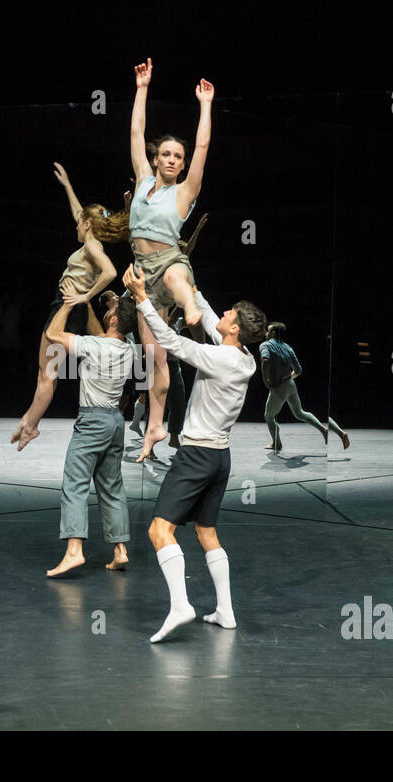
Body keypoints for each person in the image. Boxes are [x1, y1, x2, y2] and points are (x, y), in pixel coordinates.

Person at [123, 265, 266, 643]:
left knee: (159, 530)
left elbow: (171, 341)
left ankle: (180, 605)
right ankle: (226, 612)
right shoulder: (243, 358)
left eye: (229, 315)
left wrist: (142, 300)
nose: (224, 316)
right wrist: (189, 287)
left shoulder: (218, 359)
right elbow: (208, 313)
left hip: (197, 457)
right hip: (220, 459)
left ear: (235, 329)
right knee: (206, 532)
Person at [128, 57, 215, 463]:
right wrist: (142, 88)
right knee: (155, 362)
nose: (172, 160)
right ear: (157, 158)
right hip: (142, 276)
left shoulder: (185, 193)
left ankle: (191, 306)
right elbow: (135, 130)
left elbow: (202, 146)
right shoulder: (144, 180)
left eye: (177, 157)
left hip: (169, 262)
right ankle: (156, 427)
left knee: (180, 276)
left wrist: (205, 104)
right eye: (166, 154)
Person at [11, 163, 126, 450]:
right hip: (68, 306)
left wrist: (86, 296)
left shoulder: (91, 247)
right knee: (47, 374)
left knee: (47, 374)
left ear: (87, 226)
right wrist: (67, 185)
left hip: (67, 307)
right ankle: (30, 422)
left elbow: (110, 272)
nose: (76, 223)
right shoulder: (90, 239)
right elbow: (79, 213)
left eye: (79, 223)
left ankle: (31, 425)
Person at [41, 289, 136, 576]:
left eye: (112, 310)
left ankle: (74, 551)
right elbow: (113, 324)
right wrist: (108, 302)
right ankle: (120, 550)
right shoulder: (129, 346)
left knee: (75, 485)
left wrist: (69, 305)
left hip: (92, 423)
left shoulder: (94, 346)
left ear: (114, 319)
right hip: (116, 422)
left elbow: (54, 334)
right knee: (112, 487)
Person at [259, 321, 348, 452]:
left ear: (272, 333)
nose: (266, 333)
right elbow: (298, 370)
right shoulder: (288, 348)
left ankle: (276, 443)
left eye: (268, 330)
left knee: (269, 416)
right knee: (299, 413)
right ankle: (326, 430)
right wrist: (287, 379)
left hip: (279, 387)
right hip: (291, 385)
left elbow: (265, 360)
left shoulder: (265, 345)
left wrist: (266, 379)